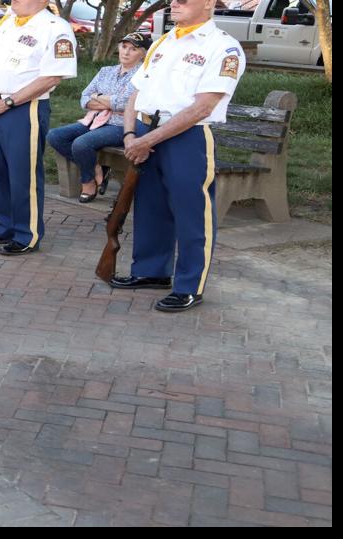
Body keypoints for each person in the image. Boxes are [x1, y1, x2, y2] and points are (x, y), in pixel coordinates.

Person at [114, 0, 244, 312]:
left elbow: (203, 106)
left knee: (192, 214)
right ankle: (150, 271)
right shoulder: (163, 41)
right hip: (146, 132)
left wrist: (149, 139)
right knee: (150, 206)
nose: (175, 3)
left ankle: (188, 286)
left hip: (187, 137)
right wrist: (131, 135)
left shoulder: (224, 48)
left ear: (209, 3)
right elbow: (136, 93)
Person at [0, 0, 77, 255]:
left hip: (24, 108)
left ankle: (27, 233)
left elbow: (52, 76)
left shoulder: (55, 28)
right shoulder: (6, 22)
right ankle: (4, 224)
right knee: (0, 170)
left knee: (23, 173)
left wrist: (7, 102)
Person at [48, 31, 146, 202]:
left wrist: (98, 97)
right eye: (124, 47)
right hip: (96, 119)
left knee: (82, 143)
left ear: (143, 53)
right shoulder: (105, 71)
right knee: (55, 135)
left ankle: (88, 182)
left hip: (122, 125)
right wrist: (107, 101)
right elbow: (84, 97)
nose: (126, 52)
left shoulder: (143, 75)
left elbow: (125, 103)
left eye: (133, 49)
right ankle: (95, 169)